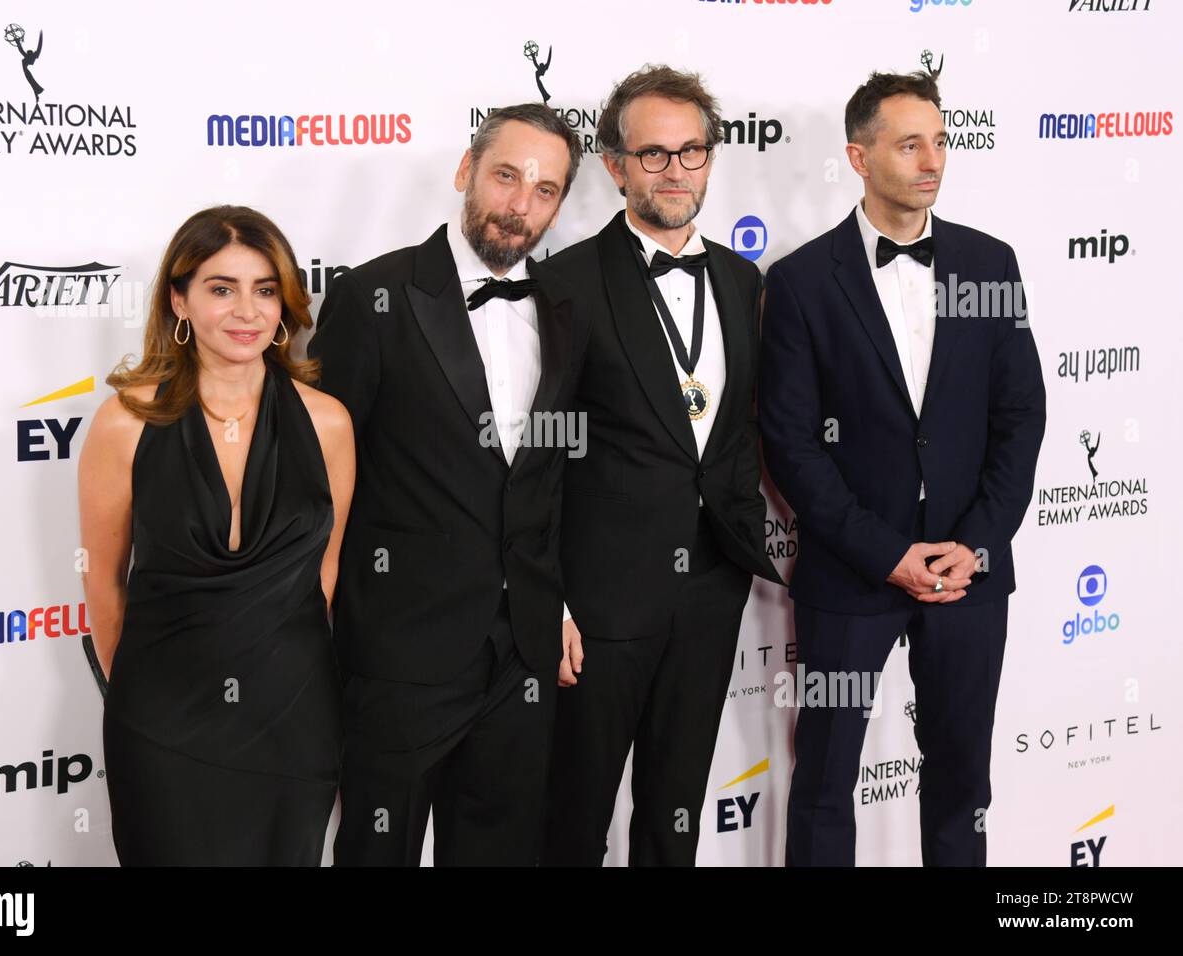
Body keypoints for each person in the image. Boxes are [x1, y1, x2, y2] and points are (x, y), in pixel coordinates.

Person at [759, 70, 1046, 866]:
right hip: (853, 575)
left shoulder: (990, 264)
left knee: (962, 780)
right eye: (909, 143)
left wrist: (978, 539)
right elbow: (790, 442)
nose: (932, 160)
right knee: (824, 781)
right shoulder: (801, 282)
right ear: (858, 156)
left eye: (941, 141)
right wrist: (883, 552)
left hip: (968, 571)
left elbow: (1021, 416)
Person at [307, 103, 586, 866]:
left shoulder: (566, 308)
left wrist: (552, 599)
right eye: (506, 175)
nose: (520, 204)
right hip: (400, 653)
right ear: (467, 172)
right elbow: (318, 485)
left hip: (521, 656)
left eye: (545, 189)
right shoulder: (373, 298)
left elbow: (546, 480)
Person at [539, 65, 783, 867]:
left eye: (691, 152)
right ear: (614, 167)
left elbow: (736, 434)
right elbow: (538, 458)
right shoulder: (564, 285)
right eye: (653, 155)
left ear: (712, 157)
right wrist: (554, 598)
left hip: (712, 589)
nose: (675, 171)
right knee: (575, 816)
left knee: (676, 810)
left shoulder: (744, 279)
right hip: (600, 602)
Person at [78, 205, 354, 865]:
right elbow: (104, 587)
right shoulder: (124, 424)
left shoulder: (327, 424)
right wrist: (154, 700)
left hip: (292, 719)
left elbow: (326, 577)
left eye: (264, 289)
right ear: (180, 298)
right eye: (221, 288)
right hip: (163, 723)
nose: (247, 310)